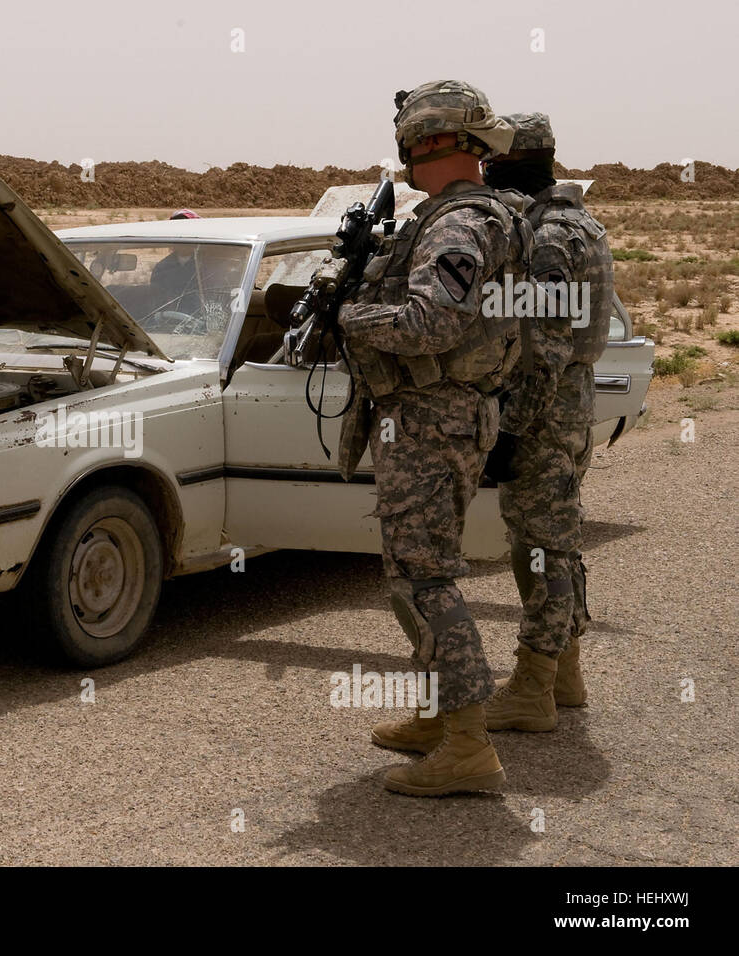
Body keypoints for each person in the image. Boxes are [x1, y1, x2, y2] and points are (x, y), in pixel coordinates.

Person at [334, 80, 532, 796]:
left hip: (431, 418)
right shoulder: (468, 216)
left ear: (425, 143)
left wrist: (350, 318)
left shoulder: (456, 225)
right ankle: (440, 713)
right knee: (414, 571)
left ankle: (469, 746)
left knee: (426, 577)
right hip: (436, 415)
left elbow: (429, 326)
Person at [480, 113, 614, 729]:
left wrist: (509, 430)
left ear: (506, 164)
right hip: (570, 404)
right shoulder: (574, 220)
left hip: (545, 409)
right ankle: (564, 673)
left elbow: (545, 345)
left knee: (539, 548)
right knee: (553, 541)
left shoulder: (550, 236)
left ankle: (533, 684)